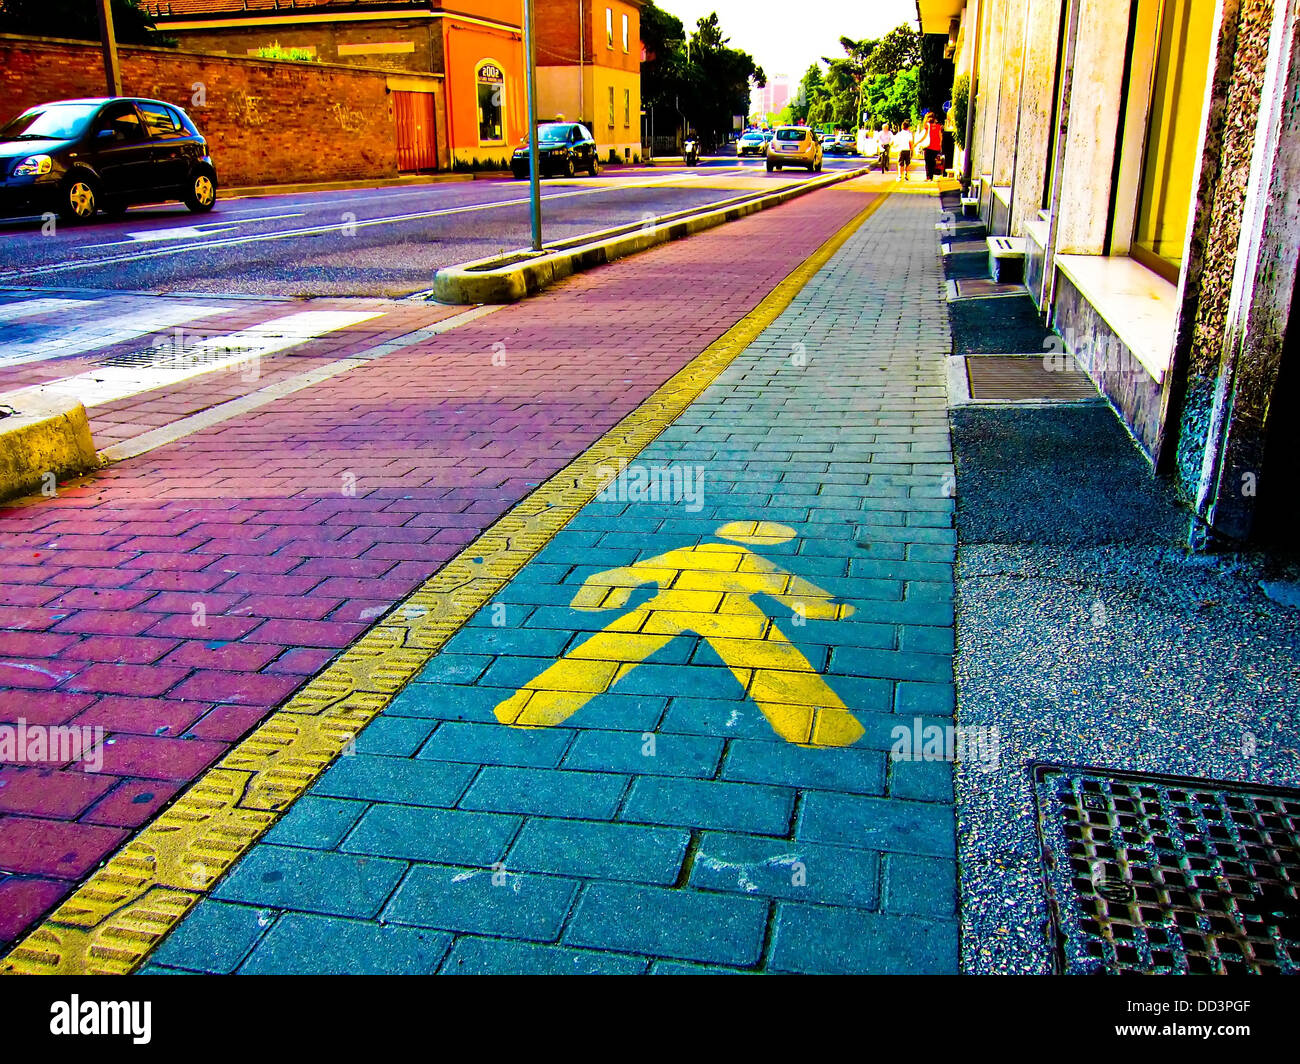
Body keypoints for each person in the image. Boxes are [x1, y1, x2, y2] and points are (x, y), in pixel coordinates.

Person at [922, 112, 944, 181]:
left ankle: (928, 177)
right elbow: (940, 137)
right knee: (932, 162)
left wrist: (925, 118)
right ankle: (931, 177)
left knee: (928, 162)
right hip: (936, 147)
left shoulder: (927, 126)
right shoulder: (938, 126)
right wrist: (940, 145)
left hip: (928, 146)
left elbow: (924, 135)